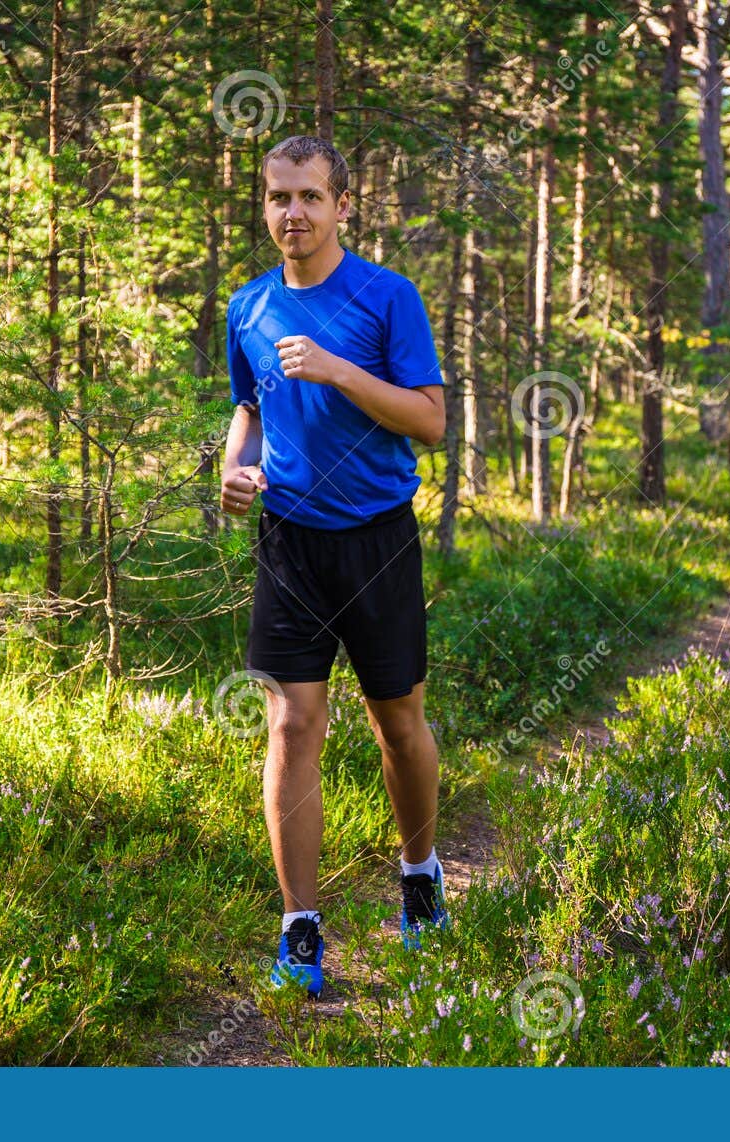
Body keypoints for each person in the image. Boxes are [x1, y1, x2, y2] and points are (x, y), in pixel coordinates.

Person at [219, 135, 449, 999]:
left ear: (343, 205)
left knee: (398, 725)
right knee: (291, 727)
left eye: (311, 198)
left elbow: (428, 422)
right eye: (279, 198)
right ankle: (300, 929)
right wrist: (233, 469)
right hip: (290, 542)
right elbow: (248, 407)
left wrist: (339, 369)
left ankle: (421, 874)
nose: (294, 215)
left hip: (377, 539)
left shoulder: (388, 298)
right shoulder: (248, 306)